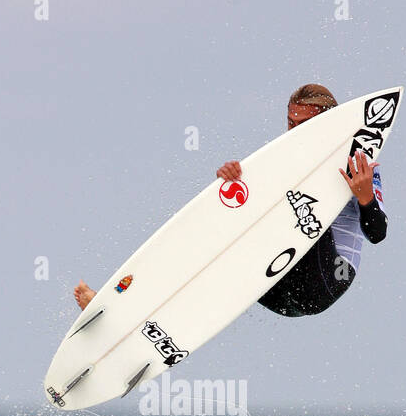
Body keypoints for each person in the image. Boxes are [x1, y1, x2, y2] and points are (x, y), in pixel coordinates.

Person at [72, 82, 387, 316]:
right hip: (281, 290)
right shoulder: (283, 160)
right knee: (209, 257)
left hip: (327, 280)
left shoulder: (359, 160)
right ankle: (123, 312)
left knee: (288, 210)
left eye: (303, 125)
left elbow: (378, 233)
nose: (294, 131)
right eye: (291, 123)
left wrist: (364, 197)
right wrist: (237, 182)